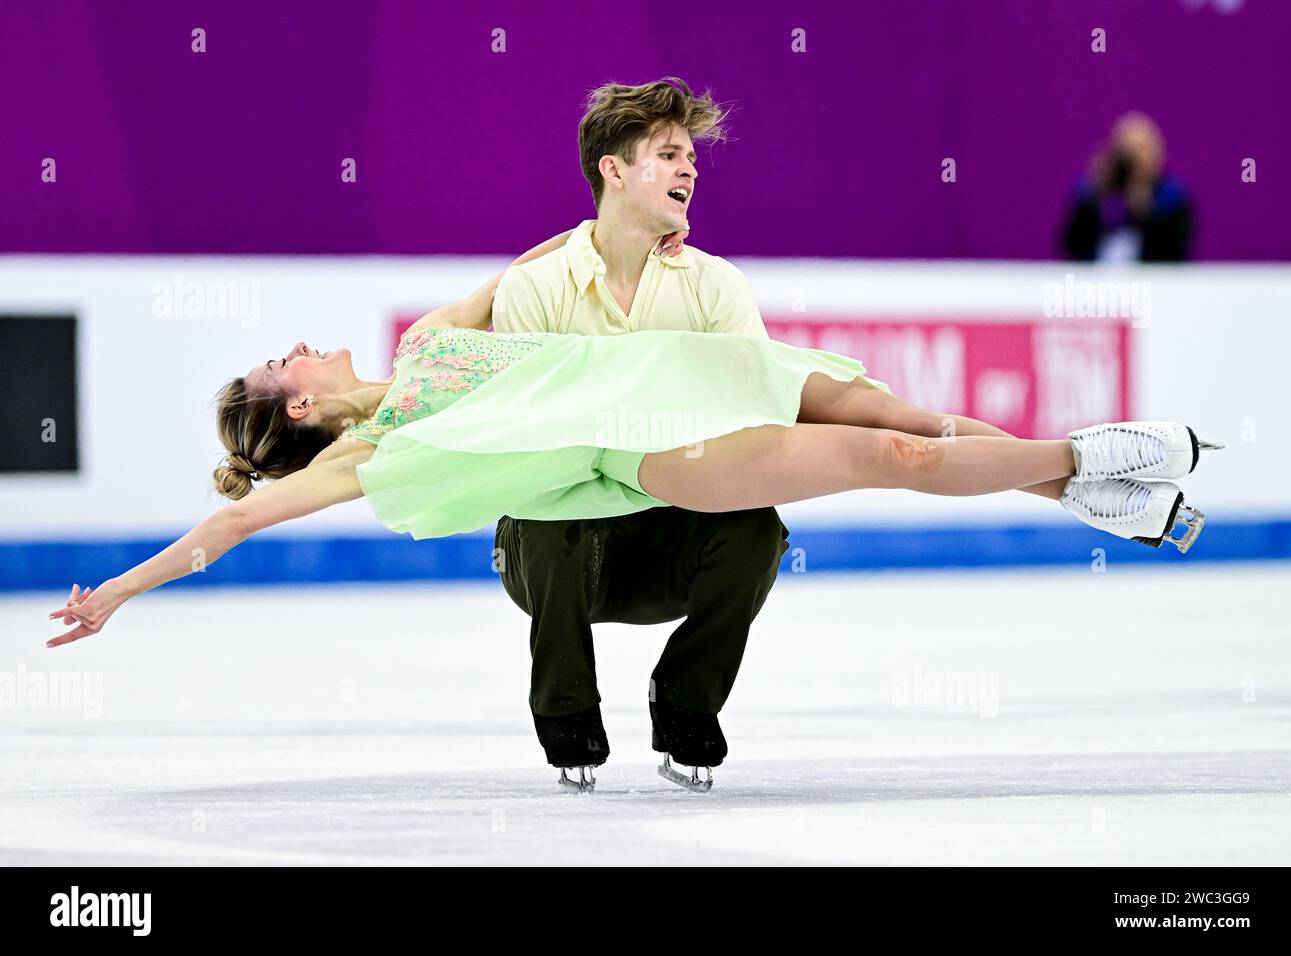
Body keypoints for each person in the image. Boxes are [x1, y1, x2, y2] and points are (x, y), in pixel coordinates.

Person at [45, 287, 1217, 798]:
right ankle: (1084, 461)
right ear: (296, 409)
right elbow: (238, 519)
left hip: (693, 365)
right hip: (651, 447)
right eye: (279, 363)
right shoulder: (371, 450)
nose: (296, 345)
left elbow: (539, 267)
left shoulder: (428, 342)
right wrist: (124, 592)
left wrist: (638, 217)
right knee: (894, 460)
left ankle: (1076, 487)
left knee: (913, 419)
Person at [485, 77, 782, 787]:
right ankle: (566, 713)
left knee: (758, 527)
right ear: (612, 170)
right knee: (547, 500)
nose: (690, 169)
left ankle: (685, 699)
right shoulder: (535, 287)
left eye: (692, 159)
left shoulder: (716, 287)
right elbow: (531, 431)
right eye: (670, 154)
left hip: (668, 538)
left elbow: (749, 414)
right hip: (562, 549)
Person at [1062, 111, 1193, 262]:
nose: (1133, 159)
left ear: (1158, 152)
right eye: (1126, 149)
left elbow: (1176, 252)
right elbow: (1071, 245)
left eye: (1141, 149)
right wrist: (1096, 193)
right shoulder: (1091, 191)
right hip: (1097, 282)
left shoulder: (1173, 196)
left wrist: (1145, 208)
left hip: (1154, 282)